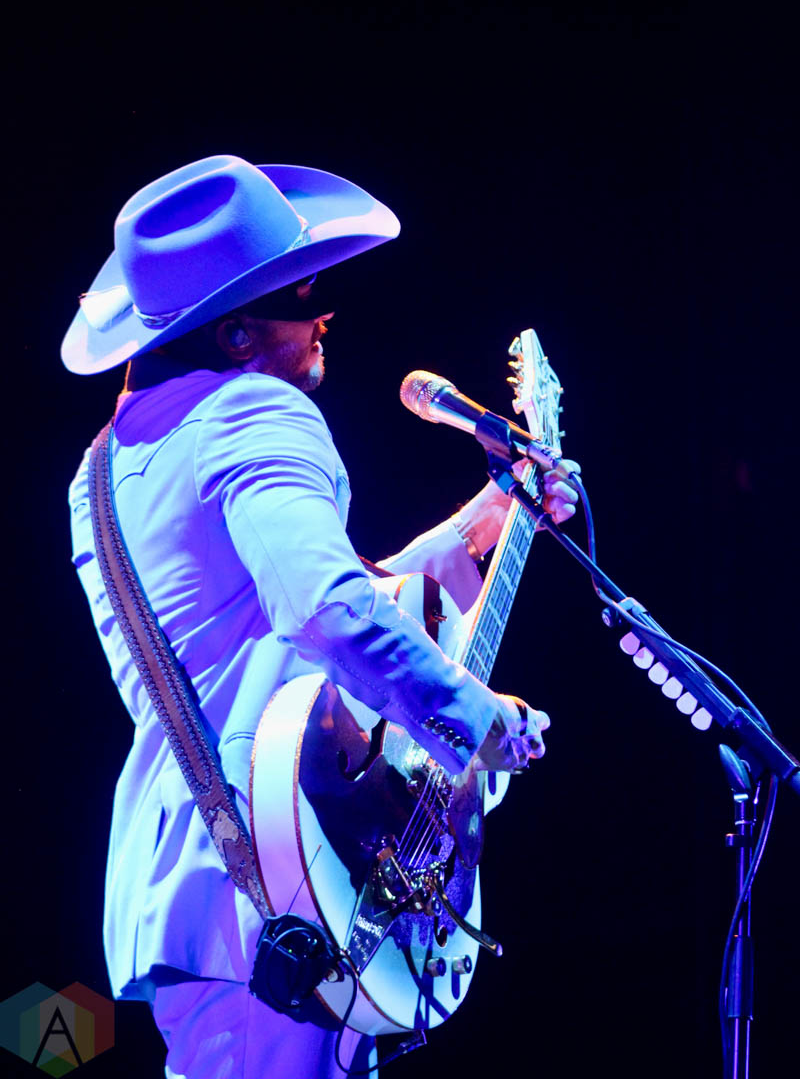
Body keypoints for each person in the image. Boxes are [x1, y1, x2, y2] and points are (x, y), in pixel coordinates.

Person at [63, 155, 579, 1078]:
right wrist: (473, 720)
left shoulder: (104, 467)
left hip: (203, 887)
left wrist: (487, 519)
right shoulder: (257, 412)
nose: (323, 307)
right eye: (298, 290)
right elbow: (327, 617)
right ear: (235, 335)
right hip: (284, 879)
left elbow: (277, 622)